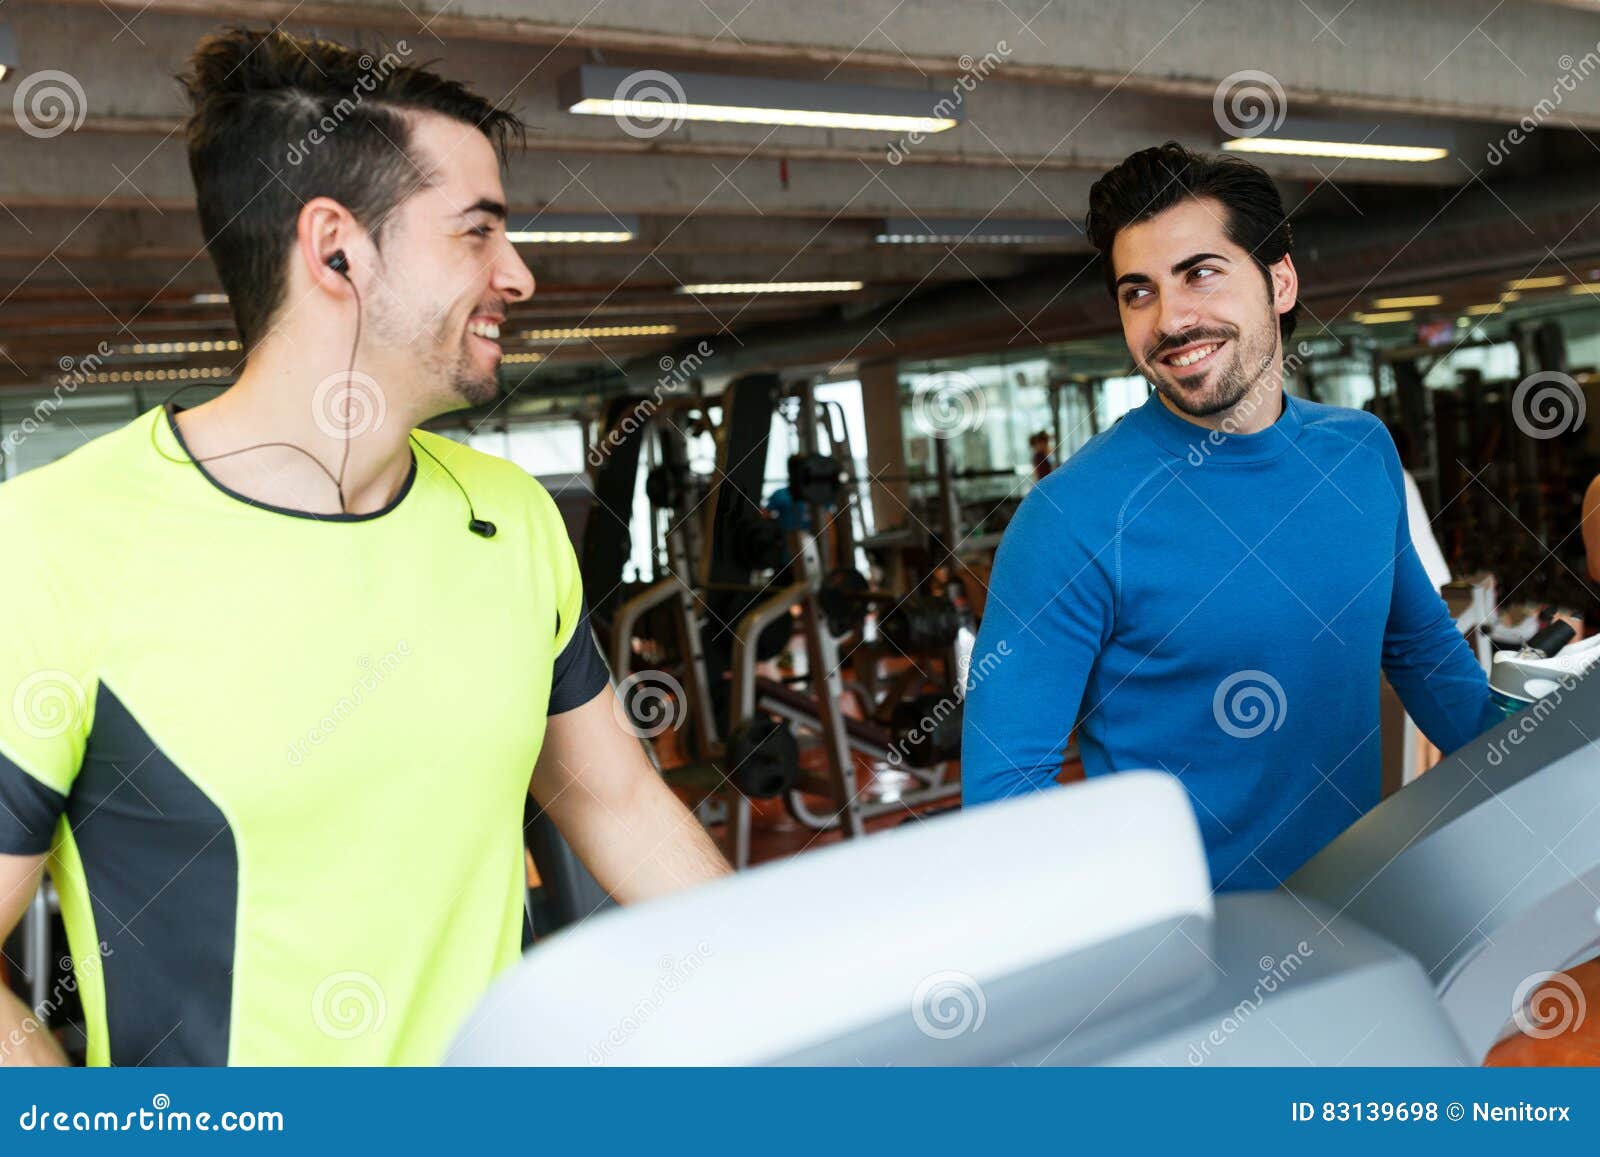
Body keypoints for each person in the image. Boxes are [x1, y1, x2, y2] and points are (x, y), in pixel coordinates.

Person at [0, 28, 728, 1067]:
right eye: (477, 233)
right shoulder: (53, 543)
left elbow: (613, 802)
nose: (516, 274)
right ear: (337, 246)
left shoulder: (509, 516)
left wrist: (791, 996)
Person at [961, 142, 1498, 891]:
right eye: (1137, 292)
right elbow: (1004, 803)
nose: (1172, 319)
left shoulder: (1360, 454)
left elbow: (1430, 663)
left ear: (1280, 280)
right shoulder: (1070, 518)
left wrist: (1561, 752)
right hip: (1195, 957)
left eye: (1200, 274)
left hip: (1362, 912)